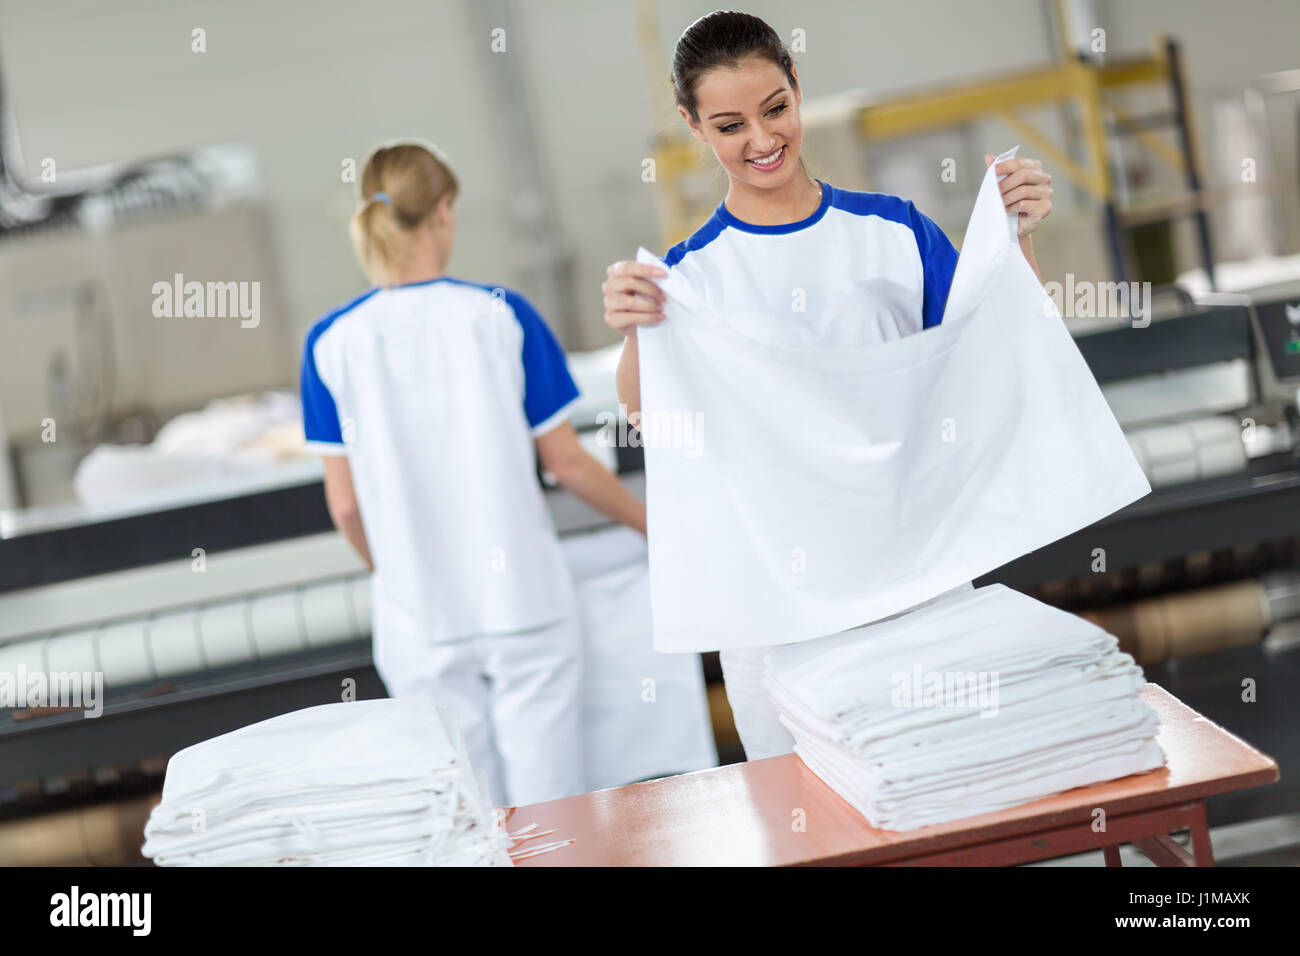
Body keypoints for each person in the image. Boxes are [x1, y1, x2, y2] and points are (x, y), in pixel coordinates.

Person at [601, 11, 1053, 760]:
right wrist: (633, 330)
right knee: (805, 827)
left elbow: (1003, 355)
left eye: (775, 108)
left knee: (951, 795)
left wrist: (1020, 236)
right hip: (775, 615)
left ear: (798, 87)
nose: (762, 140)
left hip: (916, 584)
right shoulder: (690, 278)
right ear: (692, 125)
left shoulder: (897, 233)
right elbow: (650, 419)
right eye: (729, 124)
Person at [302, 141, 647, 806]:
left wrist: (402, 573)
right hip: (523, 601)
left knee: (460, 816)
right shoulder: (501, 314)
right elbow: (568, 464)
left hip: (419, 617)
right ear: (444, 213)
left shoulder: (331, 341)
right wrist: (648, 524)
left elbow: (344, 507)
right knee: (553, 816)